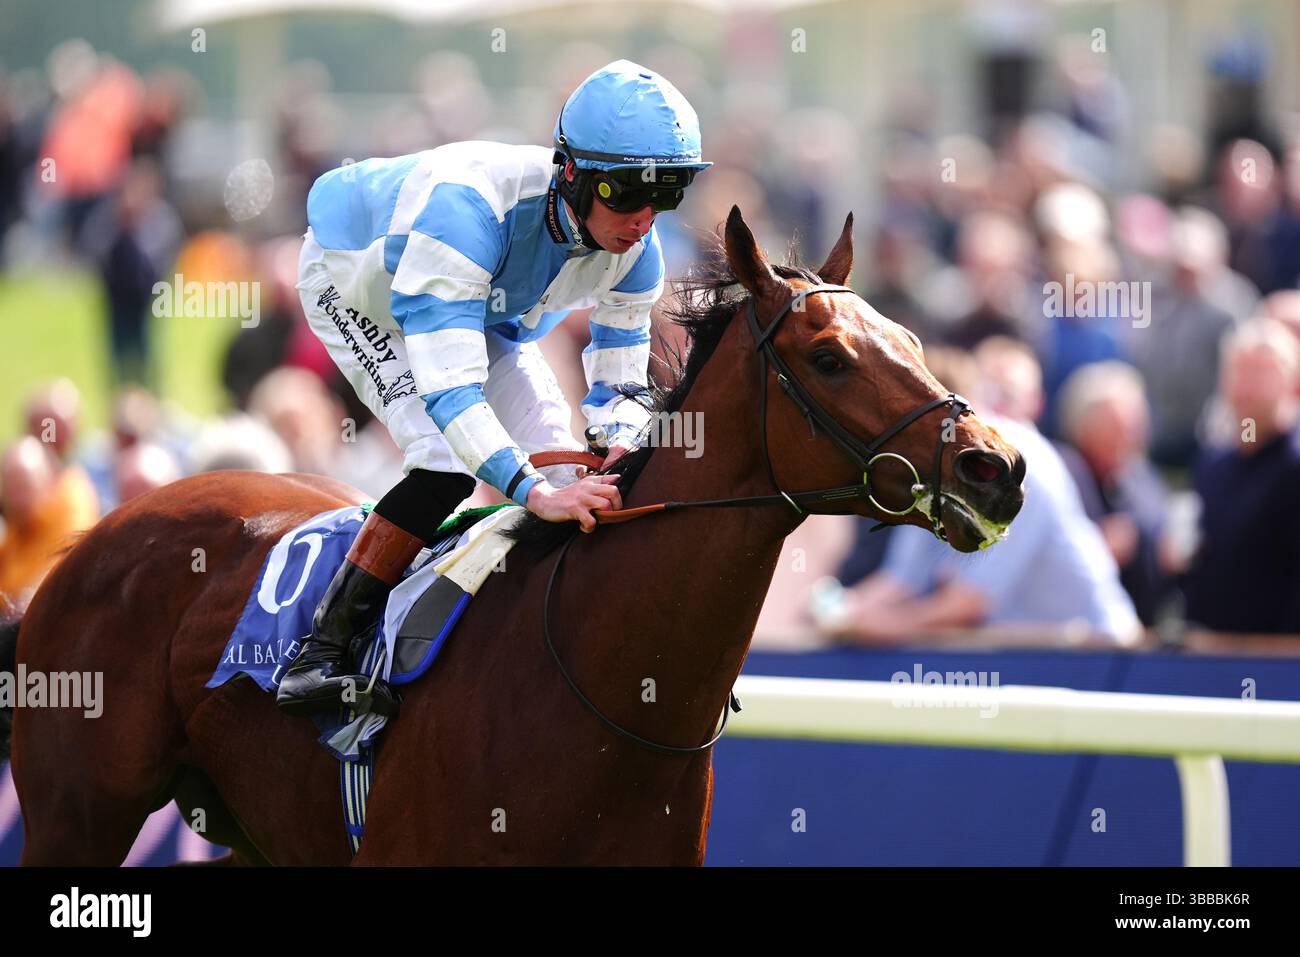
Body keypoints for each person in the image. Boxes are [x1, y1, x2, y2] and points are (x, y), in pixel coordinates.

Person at [276, 61, 710, 716]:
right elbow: (453, 398)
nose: (645, 219)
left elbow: (619, 389)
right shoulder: (465, 213)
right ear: (572, 173)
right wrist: (533, 494)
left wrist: (617, 446)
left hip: (478, 304)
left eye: (668, 192)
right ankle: (319, 653)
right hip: (365, 291)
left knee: (566, 457)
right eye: (625, 192)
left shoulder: (635, 248)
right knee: (445, 460)